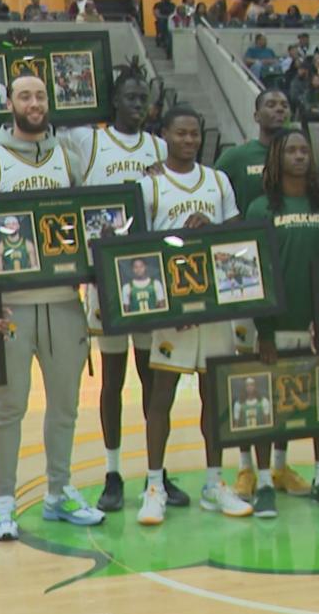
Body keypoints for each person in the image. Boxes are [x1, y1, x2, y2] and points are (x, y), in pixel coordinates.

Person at [0, 74, 101, 541]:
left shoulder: (69, 157)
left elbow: (88, 222)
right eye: (25, 95)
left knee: (65, 407)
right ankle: (4, 501)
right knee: (9, 407)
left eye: (40, 95)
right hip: (10, 307)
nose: (34, 103)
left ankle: (59, 491)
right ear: (8, 102)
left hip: (63, 303)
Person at [134, 104, 252, 526]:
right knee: (161, 394)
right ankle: (154, 485)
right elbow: (139, 245)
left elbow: (238, 235)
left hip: (215, 302)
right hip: (173, 304)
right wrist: (179, 234)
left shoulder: (218, 180)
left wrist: (212, 228)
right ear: (164, 134)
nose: (189, 140)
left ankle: (214, 482)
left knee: (214, 394)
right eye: (181, 133)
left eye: (194, 134)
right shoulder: (148, 184)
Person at [62, 60, 168, 512]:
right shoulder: (89, 140)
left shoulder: (160, 147)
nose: (138, 104)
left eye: (143, 98)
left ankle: (155, 476)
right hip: (104, 277)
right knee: (113, 379)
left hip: (148, 274)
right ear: (113, 102)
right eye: (130, 97)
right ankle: (112, 472)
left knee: (152, 377)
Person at [244, 128, 319, 516]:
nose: (299, 156)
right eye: (291, 150)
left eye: (304, 150)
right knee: (267, 408)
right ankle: (263, 483)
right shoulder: (260, 210)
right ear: (276, 158)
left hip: (315, 327)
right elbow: (253, 274)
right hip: (275, 327)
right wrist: (265, 331)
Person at [215, 89, 307, 499]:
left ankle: (281, 466)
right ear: (255, 113)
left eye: (284, 105)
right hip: (243, 280)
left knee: (287, 377)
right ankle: (246, 467)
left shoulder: (301, 154)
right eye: (271, 104)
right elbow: (217, 201)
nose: (279, 109)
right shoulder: (235, 159)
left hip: (287, 279)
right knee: (248, 374)